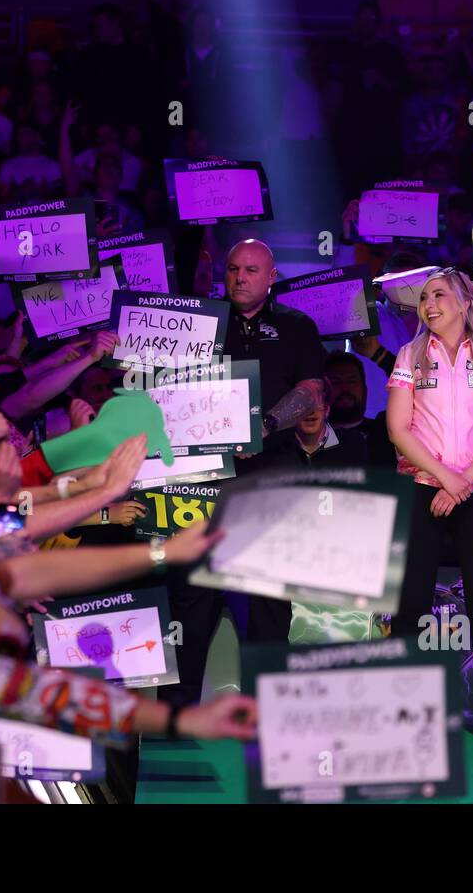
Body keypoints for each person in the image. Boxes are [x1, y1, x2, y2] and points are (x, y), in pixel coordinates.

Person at [159, 238, 326, 711]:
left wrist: (265, 425)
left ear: (271, 277)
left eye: (251, 270)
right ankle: (177, 708)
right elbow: (162, 383)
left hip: (272, 470)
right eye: (232, 269)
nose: (239, 278)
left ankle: (268, 705)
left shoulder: (296, 326)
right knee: (193, 590)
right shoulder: (201, 323)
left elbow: (312, 389)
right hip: (204, 471)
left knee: (271, 595)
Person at [385, 267, 473, 751]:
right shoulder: (409, 355)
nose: (429, 304)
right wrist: (447, 479)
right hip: (424, 489)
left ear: (464, 303)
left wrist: (463, 484)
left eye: (439, 295)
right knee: (410, 604)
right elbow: (399, 429)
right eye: (423, 298)